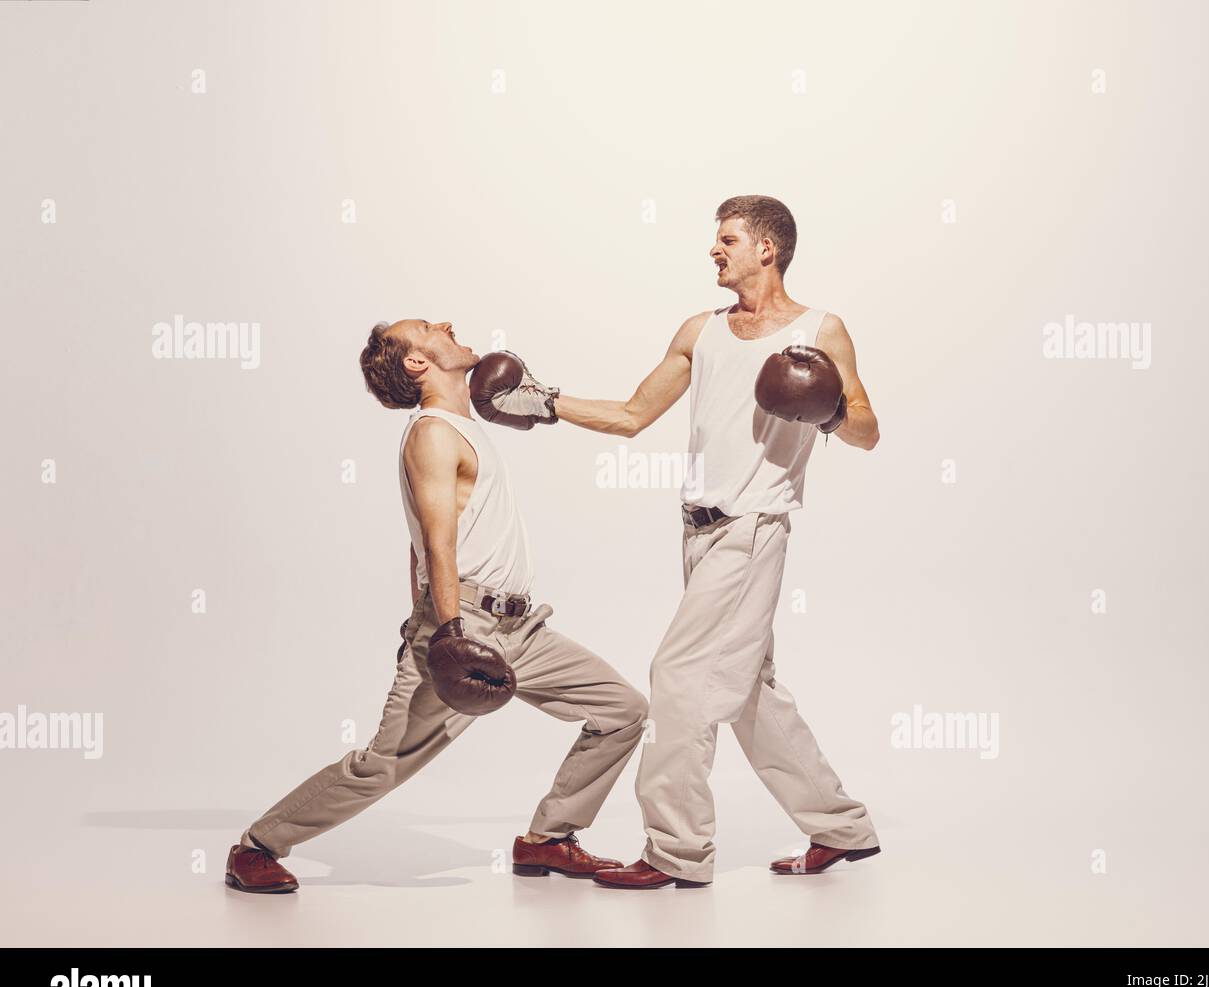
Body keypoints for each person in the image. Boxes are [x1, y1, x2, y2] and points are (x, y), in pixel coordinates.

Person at [470, 195, 883, 889]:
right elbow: (632, 415)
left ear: (767, 250)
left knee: (678, 681)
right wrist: (544, 401)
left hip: (752, 530)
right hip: (696, 533)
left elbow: (869, 431)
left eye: (727, 240)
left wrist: (833, 408)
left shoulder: (821, 329)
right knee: (749, 693)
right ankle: (841, 828)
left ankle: (677, 852)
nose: (714, 252)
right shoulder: (701, 330)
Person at [224, 319, 647, 893]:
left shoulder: (460, 425)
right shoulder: (432, 434)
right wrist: (444, 631)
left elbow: (416, 547)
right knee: (383, 763)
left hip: (520, 627)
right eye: (427, 328)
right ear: (417, 365)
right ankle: (257, 847)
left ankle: (547, 840)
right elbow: (437, 543)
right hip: (463, 622)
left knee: (622, 710)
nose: (446, 324)